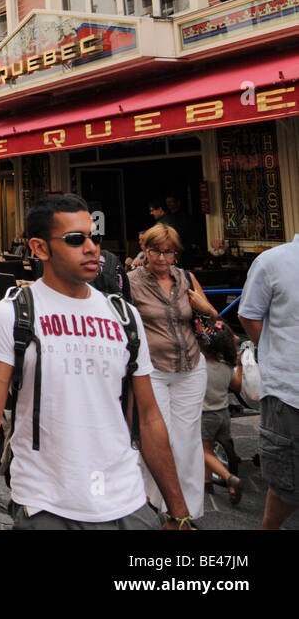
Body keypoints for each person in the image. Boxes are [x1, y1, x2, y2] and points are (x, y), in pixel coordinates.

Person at [0, 194, 194, 530]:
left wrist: (177, 509)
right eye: (76, 239)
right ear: (40, 248)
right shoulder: (7, 316)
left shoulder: (125, 317)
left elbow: (147, 416)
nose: (92, 248)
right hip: (46, 505)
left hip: (127, 503)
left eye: (94, 237)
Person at [126, 223, 221, 520]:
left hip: (191, 367)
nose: (163, 258)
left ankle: (186, 513)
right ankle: (153, 505)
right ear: (145, 249)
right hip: (151, 369)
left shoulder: (186, 279)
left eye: (169, 252)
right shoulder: (130, 282)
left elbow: (213, 319)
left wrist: (206, 307)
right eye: (156, 251)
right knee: (157, 439)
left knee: (188, 439)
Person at [238, 232, 299, 530]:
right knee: (287, 481)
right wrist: (276, 356)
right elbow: (249, 315)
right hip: (289, 391)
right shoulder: (273, 262)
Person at [199, 327, 244, 505]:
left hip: (206, 415)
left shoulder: (200, 366)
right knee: (210, 448)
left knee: (203, 451)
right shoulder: (226, 366)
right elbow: (237, 386)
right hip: (223, 414)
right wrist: (239, 367)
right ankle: (207, 481)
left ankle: (228, 477)